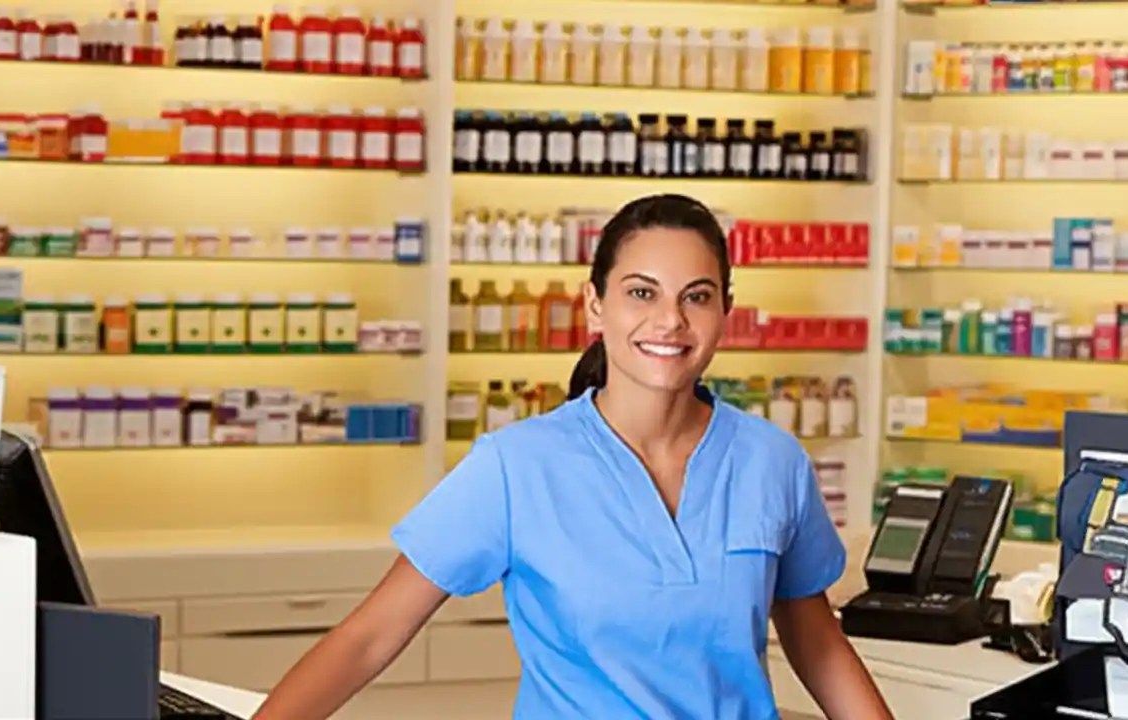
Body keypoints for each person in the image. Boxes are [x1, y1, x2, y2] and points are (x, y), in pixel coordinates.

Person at [253, 194, 893, 720]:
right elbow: (367, 640)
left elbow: (818, 645)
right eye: (642, 293)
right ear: (595, 304)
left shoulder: (771, 460)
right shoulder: (517, 466)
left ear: (727, 307)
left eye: (695, 296)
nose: (669, 321)